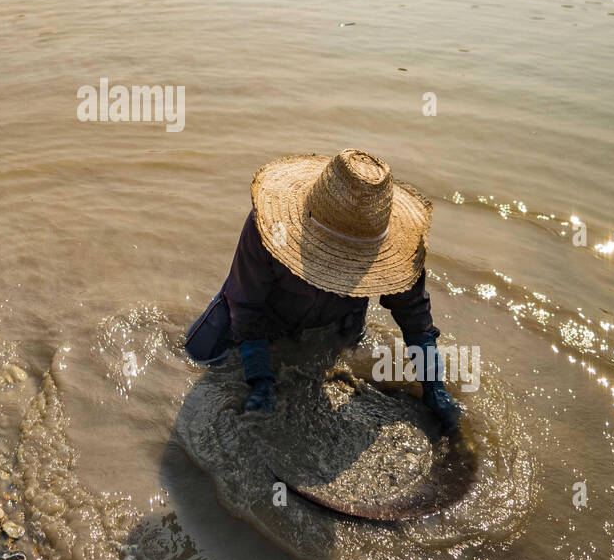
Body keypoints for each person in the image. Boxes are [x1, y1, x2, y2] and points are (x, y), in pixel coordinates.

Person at [185, 148, 461, 430]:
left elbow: (414, 315)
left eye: (357, 262)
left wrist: (433, 385)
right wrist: (260, 379)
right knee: (197, 356)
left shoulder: (401, 255)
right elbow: (245, 304)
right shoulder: (269, 229)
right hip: (252, 318)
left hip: (334, 321)